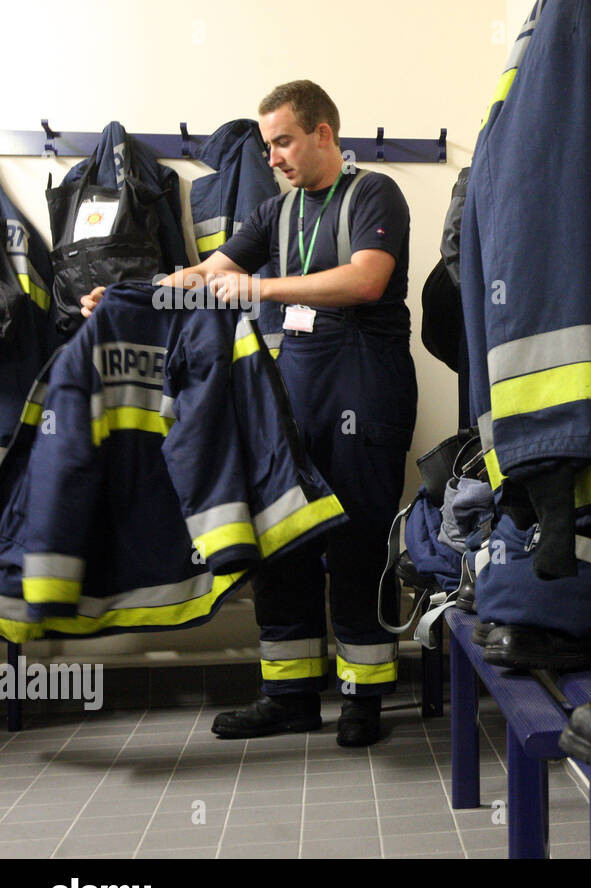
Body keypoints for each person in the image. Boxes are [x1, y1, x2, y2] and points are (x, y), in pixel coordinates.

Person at [81, 80, 418, 747]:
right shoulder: (277, 211)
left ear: (324, 133)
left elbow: (366, 279)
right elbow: (208, 273)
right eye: (267, 146)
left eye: (283, 141)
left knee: (357, 545)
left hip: (363, 393)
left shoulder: (374, 193)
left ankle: (364, 698)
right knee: (283, 540)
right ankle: (290, 696)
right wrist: (127, 296)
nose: (273, 158)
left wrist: (260, 288)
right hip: (289, 399)